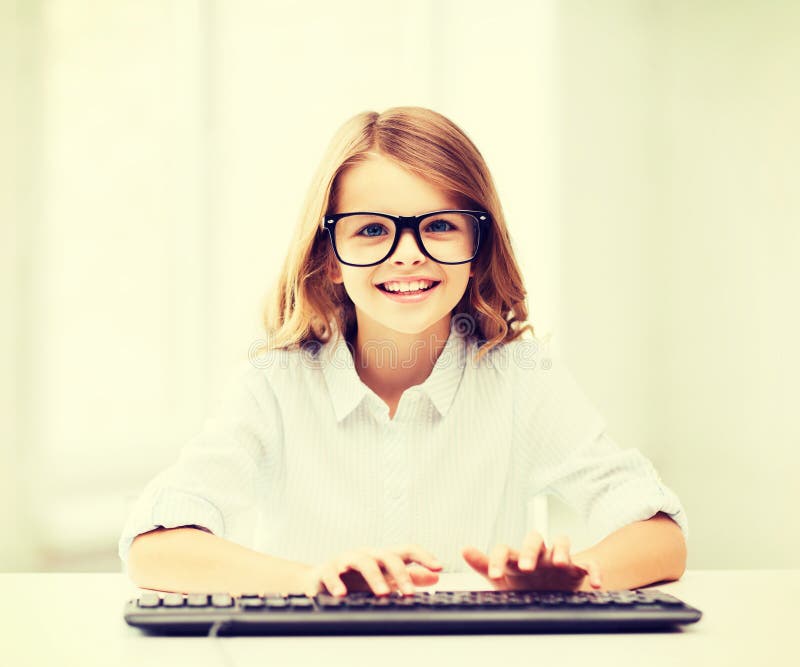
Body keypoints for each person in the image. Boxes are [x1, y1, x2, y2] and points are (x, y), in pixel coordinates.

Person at [119, 106, 688, 598]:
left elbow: (660, 534)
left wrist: (579, 575)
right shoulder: (275, 383)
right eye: (371, 230)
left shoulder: (522, 378)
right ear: (331, 253)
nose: (408, 255)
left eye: (439, 225)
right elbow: (155, 546)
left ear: (478, 243)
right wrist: (314, 579)